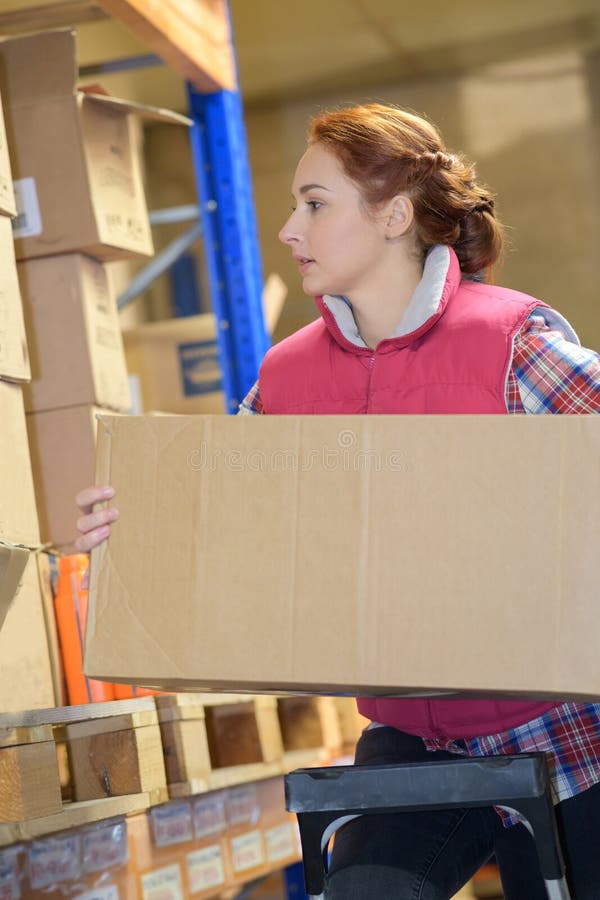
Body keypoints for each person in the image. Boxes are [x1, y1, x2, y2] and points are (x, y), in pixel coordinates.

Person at [76, 103, 600, 899]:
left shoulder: (512, 344)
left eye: (314, 204)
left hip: (563, 734)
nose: (289, 229)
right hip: (410, 738)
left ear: (393, 216)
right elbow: (222, 523)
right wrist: (134, 527)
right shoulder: (285, 381)